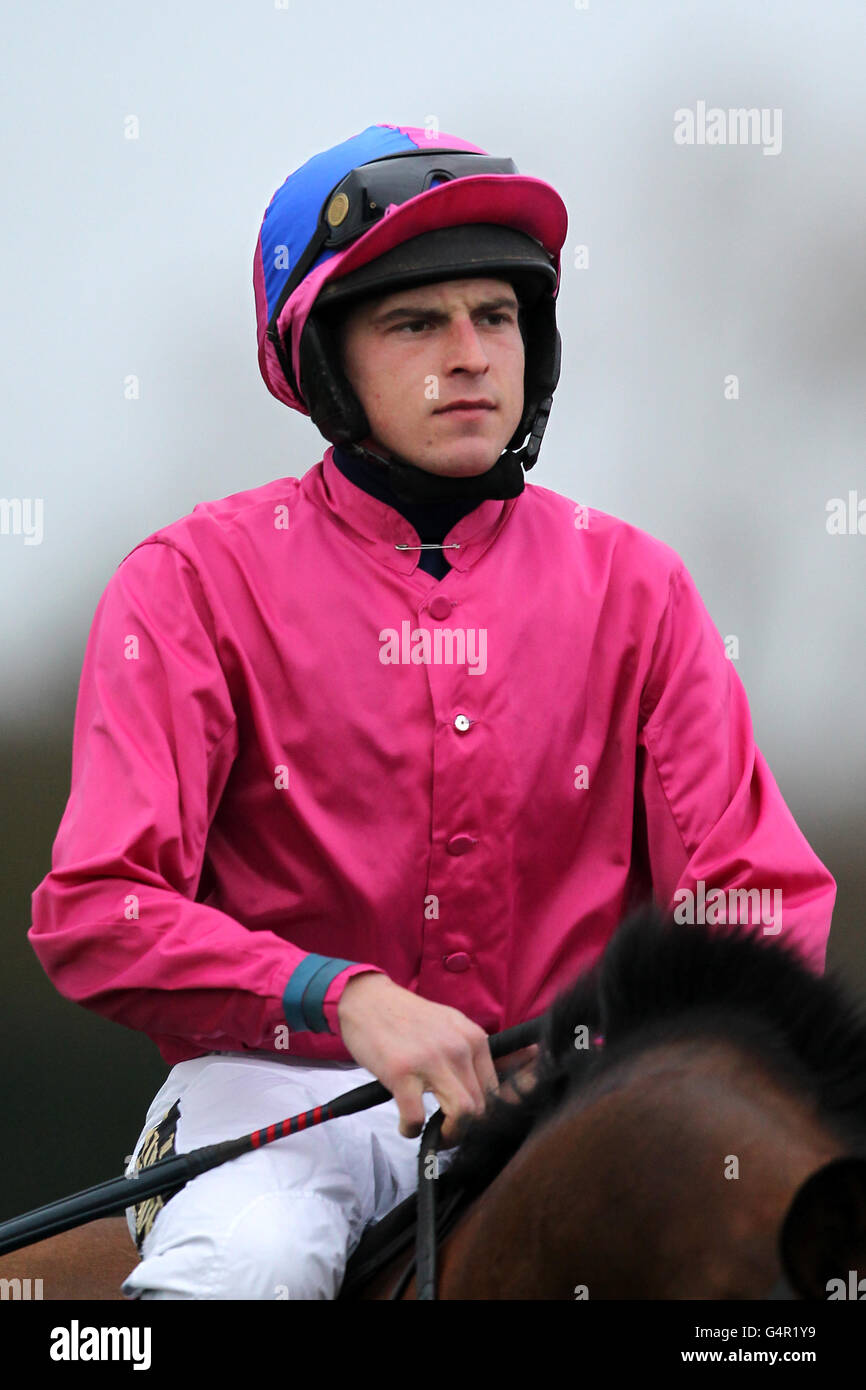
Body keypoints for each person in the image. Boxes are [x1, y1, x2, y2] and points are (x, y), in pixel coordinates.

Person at [28, 123, 836, 1300]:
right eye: (415, 323)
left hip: (574, 1099)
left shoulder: (639, 587)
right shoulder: (190, 581)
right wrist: (339, 997)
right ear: (322, 362)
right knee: (248, 1266)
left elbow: (753, 898)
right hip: (282, 1097)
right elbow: (99, 906)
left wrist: (633, 1060)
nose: (468, 356)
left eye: (495, 317)